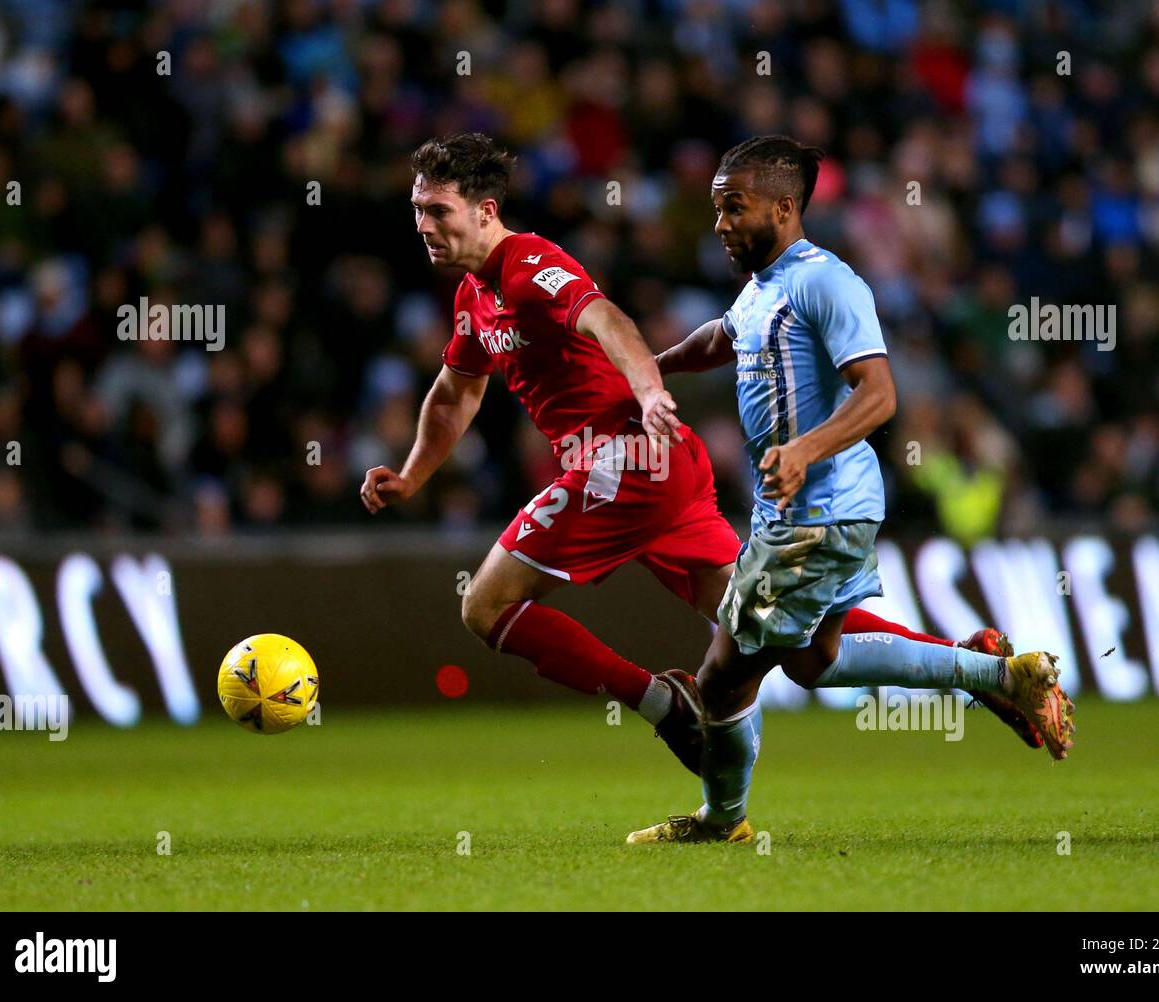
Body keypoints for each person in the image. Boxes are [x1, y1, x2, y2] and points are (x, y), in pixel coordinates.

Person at [360, 133, 1044, 778]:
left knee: (484, 607)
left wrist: (649, 389)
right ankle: (978, 668)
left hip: (623, 460)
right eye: (416, 209)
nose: (422, 224)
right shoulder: (473, 296)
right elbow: (455, 391)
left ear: (484, 211)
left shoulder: (529, 263)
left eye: (436, 209)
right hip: (662, 471)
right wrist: (415, 472)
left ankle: (663, 703)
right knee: (788, 638)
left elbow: (607, 319)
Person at [626, 136, 1075, 845]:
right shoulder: (761, 290)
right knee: (813, 661)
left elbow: (880, 392)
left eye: (733, 207)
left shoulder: (826, 281)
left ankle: (724, 822)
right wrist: (655, 369)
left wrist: (805, 449)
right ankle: (996, 674)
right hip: (817, 511)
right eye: (716, 209)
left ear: (783, 206)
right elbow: (725, 335)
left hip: (817, 513)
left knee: (718, 682)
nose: (720, 224)